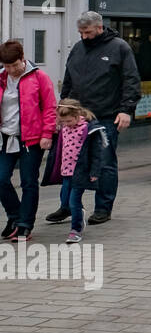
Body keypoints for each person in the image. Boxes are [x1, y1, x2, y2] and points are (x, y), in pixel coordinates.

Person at [48, 13, 138, 227]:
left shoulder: (119, 47)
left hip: (106, 115)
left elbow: (131, 80)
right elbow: (68, 78)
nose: (84, 37)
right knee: (69, 161)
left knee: (104, 162)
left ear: (99, 28)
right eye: (81, 33)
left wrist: (126, 110)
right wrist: (63, 108)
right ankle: (68, 205)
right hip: (76, 116)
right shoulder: (78, 49)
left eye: (87, 32)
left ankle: (103, 208)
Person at [0, 40, 57, 241]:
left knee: (28, 182)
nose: (11, 70)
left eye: (15, 65)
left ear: (22, 59)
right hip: (5, 137)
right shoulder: (1, 78)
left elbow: (50, 107)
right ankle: (15, 217)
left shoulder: (39, 77)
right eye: (7, 66)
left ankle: (25, 225)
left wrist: (47, 134)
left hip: (31, 139)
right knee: (1, 179)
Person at [49, 99, 109, 243]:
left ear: (77, 116)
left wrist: (94, 172)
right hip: (66, 172)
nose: (66, 124)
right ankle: (78, 213)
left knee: (73, 201)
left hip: (80, 172)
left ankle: (76, 230)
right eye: (63, 122)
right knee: (65, 200)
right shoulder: (63, 129)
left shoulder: (88, 130)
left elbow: (96, 153)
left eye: (69, 121)